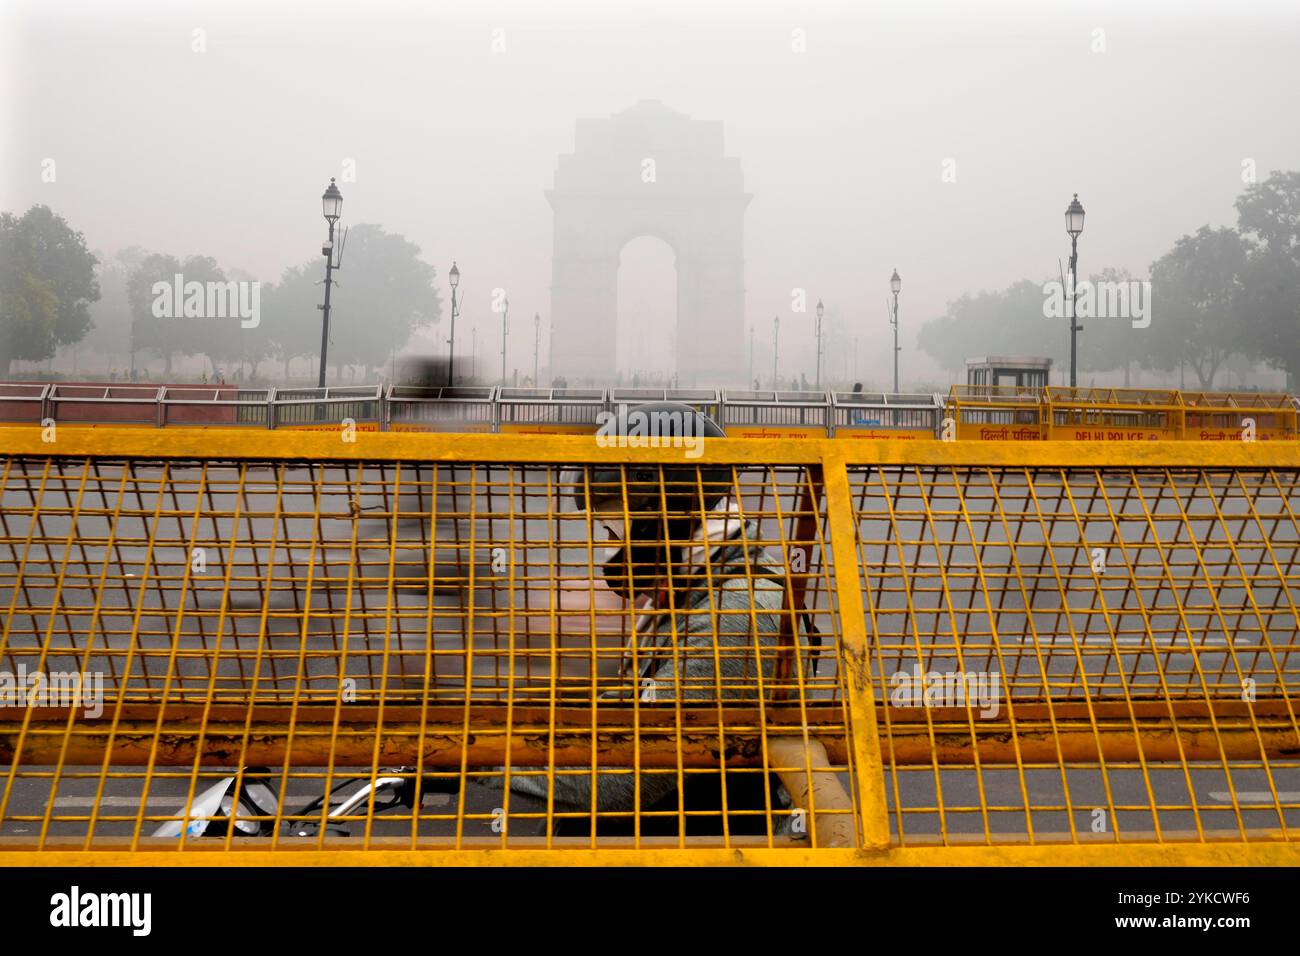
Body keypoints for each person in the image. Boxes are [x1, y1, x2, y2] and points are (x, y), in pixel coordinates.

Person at [479, 402, 814, 837]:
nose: (608, 544)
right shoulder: (693, 588)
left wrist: (475, 761)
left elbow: (628, 779)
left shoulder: (736, 615)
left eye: (613, 524)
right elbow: (635, 707)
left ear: (663, 512)